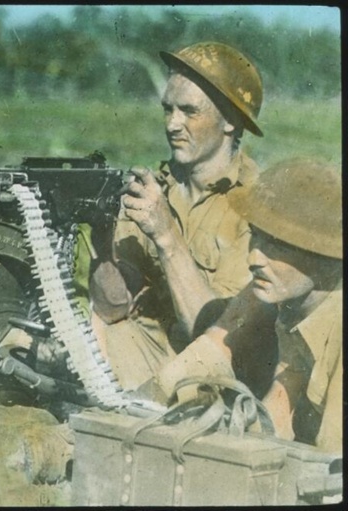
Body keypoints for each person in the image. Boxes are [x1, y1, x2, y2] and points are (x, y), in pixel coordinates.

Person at [84, 41, 267, 391]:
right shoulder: (153, 191)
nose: (172, 124)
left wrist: (166, 236)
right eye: (168, 109)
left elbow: (217, 340)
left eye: (189, 111)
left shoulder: (257, 206)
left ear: (230, 120)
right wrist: (101, 234)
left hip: (217, 381)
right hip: (147, 363)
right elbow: (111, 311)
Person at [151, 158, 342, 453]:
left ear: (327, 259)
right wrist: (139, 406)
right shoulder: (280, 291)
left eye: (277, 244)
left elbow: (332, 469)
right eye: (256, 236)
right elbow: (206, 355)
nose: (254, 258)